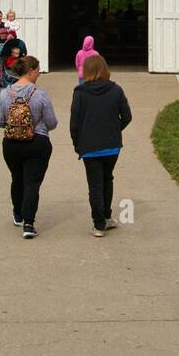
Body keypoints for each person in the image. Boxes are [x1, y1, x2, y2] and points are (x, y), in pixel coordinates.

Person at [0, 56, 57, 239]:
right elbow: (52, 123)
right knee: (32, 183)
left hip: (11, 145)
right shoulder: (40, 95)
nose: (39, 74)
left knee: (17, 178)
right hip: (37, 143)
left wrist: (13, 125)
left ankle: (18, 214)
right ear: (30, 72)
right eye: (37, 70)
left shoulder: (5, 94)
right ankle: (29, 224)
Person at [69, 55, 132, 237]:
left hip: (89, 147)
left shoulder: (80, 93)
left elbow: (74, 123)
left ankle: (99, 224)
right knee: (107, 179)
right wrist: (114, 129)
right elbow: (127, 116)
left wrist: (77, 143)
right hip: (111, 145)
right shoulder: (116, 90)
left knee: (95, 184)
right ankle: (105, 216)